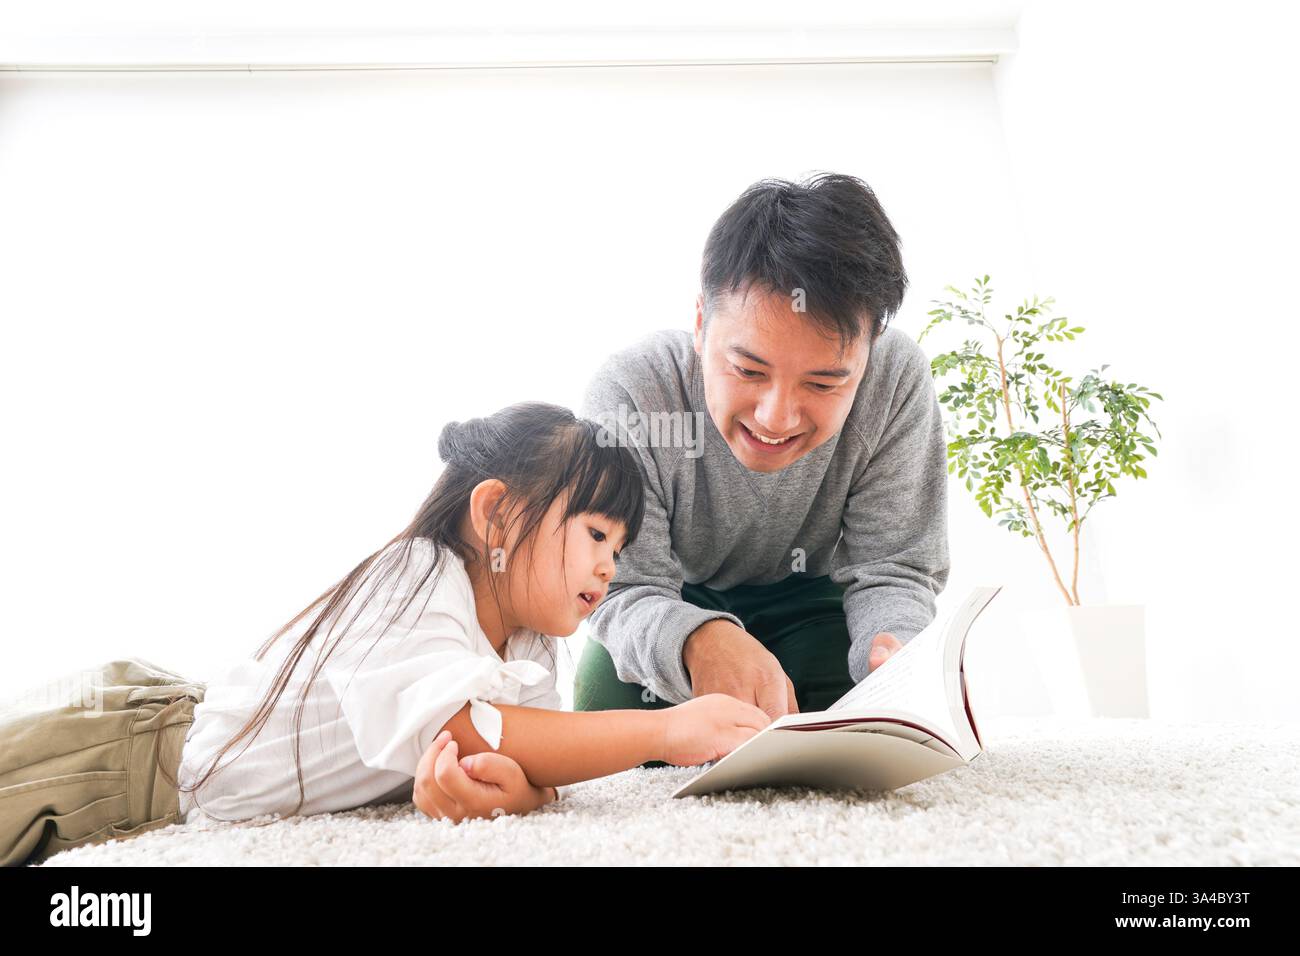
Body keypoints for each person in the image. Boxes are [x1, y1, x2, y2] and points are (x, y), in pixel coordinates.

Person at [0, 402, 770, 866]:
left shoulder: (535, 648)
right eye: (597, 534)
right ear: (497, 512)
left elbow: (518, 751)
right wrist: (664, 730)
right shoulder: (417, 575)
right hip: (132, 752)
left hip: (175, 782)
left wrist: (515, 793)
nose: (609, 567)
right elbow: (471, 731)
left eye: (620, 548)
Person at [575, 173, 951, 756]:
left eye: (825, 381)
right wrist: (696, 640)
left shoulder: (897, 379)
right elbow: (621, 585)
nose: (776, 418)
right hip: (669, 599)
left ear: (871, 350)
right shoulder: (631, 391)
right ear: (701, 324)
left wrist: (893, 651)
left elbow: (894, 569)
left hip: (814, 603)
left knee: (868, 727)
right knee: (609, 711)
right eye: (748, 371)